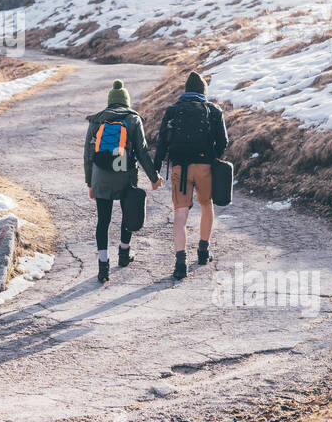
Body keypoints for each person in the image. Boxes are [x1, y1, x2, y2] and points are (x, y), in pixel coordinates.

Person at [154, 70, 229, 280]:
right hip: (204, 167)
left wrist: (155, 170)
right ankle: (204, 252)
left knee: (180, 214)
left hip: (180, 168)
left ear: (186, 90)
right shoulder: (213, 110)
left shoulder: (173, 110)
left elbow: (161, 142)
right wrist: (212, 157)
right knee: (207, 206)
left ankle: (180, 263)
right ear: (203, 91)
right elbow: (223, 142)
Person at [84, 79, 161, 284]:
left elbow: (88, 155)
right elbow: (142, 152)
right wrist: (154, 178)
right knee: (129, 215)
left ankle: (103, 266)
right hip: (125, 175)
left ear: (110, 101)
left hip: (101, 177)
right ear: (126, 102)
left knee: (103, 221)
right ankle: (124, 254)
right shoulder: (133, 120)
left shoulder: (97, 120)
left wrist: (90, 183)